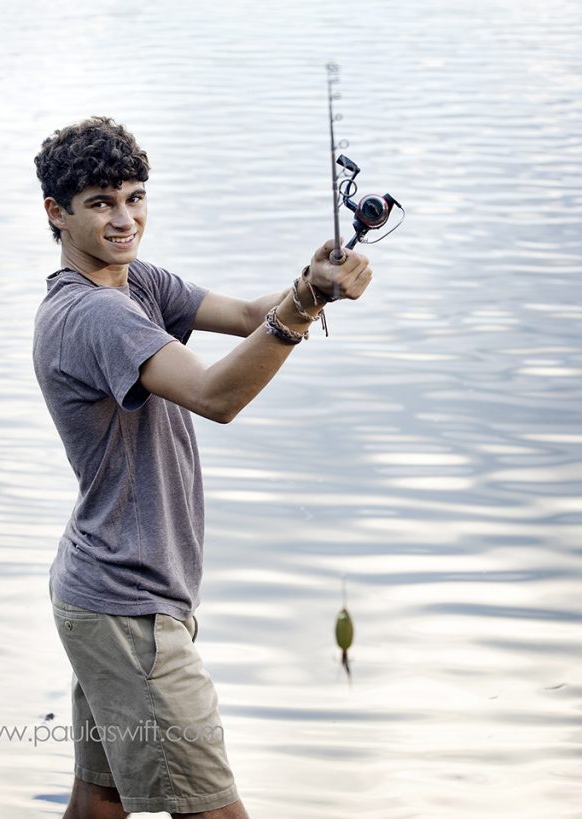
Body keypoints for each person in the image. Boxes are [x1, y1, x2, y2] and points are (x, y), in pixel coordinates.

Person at [32, 116, 372, 819]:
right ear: (56, 212)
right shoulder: (95, 316)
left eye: (135, 197)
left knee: (100, 801)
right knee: (215, 809)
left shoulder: (134, 285)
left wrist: (310, 285)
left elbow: (248, 314)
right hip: (127, 603)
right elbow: (216, 396)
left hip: (104, 593)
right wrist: (299, 313)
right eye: (101, 203)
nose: (125, 219)